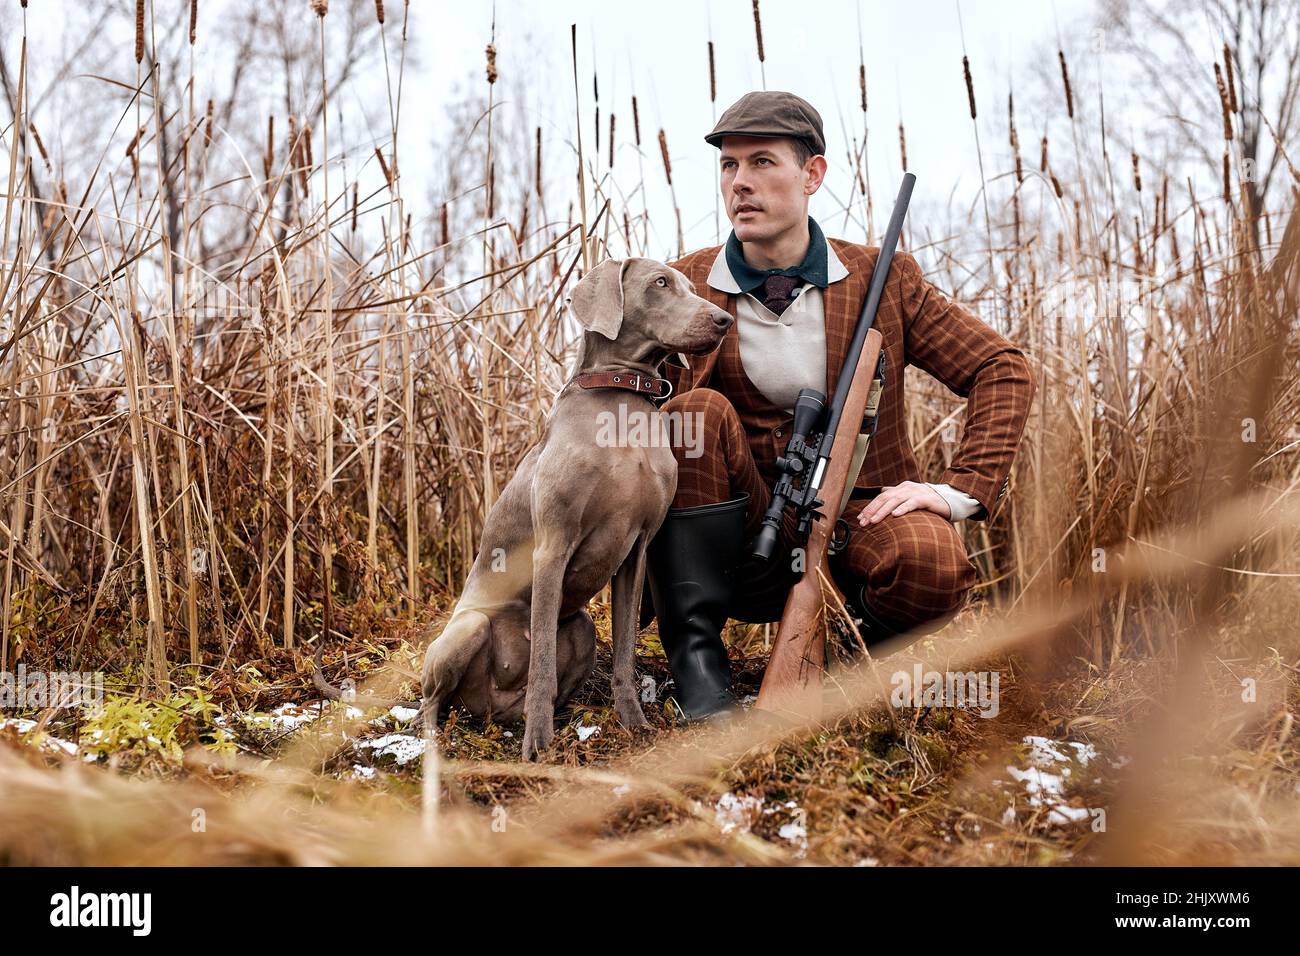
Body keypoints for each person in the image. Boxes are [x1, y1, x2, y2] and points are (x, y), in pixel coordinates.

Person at [641, 90, 1036, 721]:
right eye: (729, 165)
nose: (741, 182)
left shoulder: (885, 278)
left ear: (813, 174)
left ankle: (843, 673)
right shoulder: (683, 286)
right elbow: (614, 396)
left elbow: (1002, 368)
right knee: (697, 413)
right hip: (733, 531)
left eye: (763, 162)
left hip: (853, 518)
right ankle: (700, 675)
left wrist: (958, 489)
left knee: (934, 564)